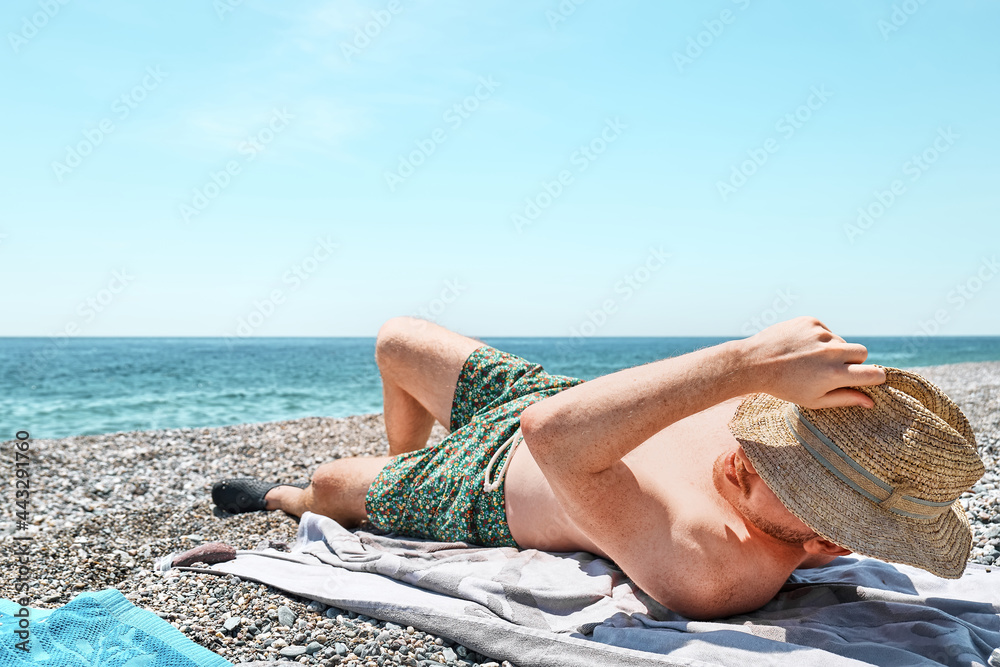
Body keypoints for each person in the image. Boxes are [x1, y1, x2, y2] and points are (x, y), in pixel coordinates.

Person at [212, 316, 984, 619]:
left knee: (329, 488)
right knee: (396, 341)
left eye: (785, 477)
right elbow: (561, 410)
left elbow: (552, 437)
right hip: (568, 402)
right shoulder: (795, 430)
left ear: (831, 542)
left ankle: (285, 495)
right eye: (779, 432)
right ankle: (402, 459)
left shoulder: (719, 569)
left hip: (482, 485)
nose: (745, 449)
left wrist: (746, 362)